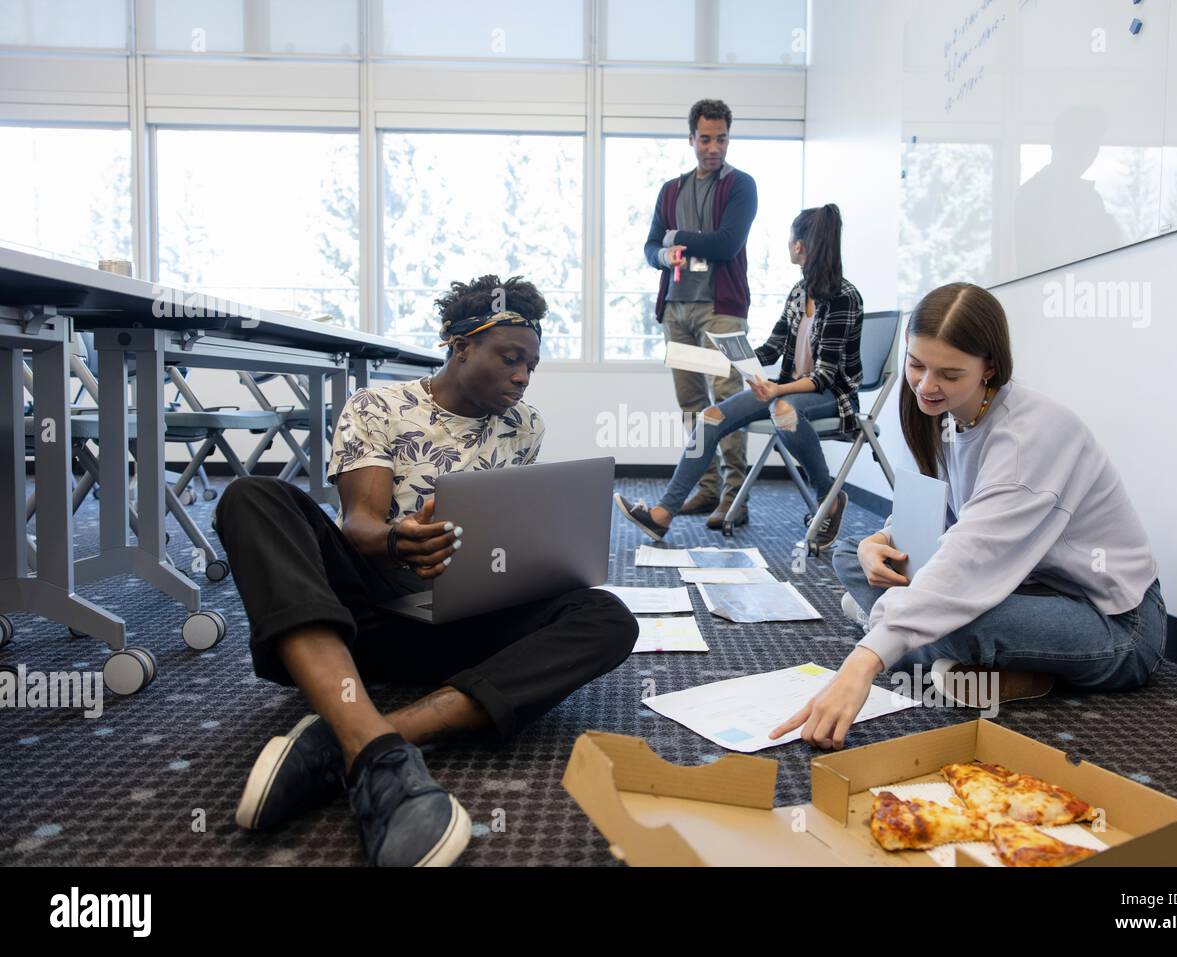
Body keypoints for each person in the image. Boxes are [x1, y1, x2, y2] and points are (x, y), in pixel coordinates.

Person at [213, 274, 637, 865]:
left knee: (608, 617)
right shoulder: (379, 407)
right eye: (510, 358)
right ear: (461, 346)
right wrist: (397, 539)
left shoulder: (524, 426)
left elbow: (507, 537)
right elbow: (358, 526)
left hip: (458, 623)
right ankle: (374, 747)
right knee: (252, 496)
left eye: (531, 366)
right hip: (362, 618)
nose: (522, 376)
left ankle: (361, 736)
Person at [771, 282, 1166, 750]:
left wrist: (863, 661)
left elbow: (969, 557)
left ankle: (913, 637)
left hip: (1116, 623)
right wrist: (878, 540)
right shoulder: (957, 413)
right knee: (850, 557)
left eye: (950, 374)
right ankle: (949, 653)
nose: (926, 385)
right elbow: (955, 517)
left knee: (958, 617)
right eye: (916, 365)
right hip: (1023, 584)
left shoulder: (1029, 439)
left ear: (990, 370)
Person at [617, 204, 863, 549]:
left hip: (831, 396)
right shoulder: (798, 292)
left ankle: (830, 497)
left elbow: (825, 376)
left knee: (784, 410)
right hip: (786, 391)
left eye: (789, 239)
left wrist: (776, 388)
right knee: (710, 418)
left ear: (799, 246)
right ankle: (662, 515)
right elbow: (772, 348)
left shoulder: (843, 298)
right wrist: (733, 358)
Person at [645, 97, 759, 528]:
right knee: (693, 403)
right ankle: (708, 489)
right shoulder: (671, 190)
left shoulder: (740, 185)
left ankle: (735, 497)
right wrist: (663, 253)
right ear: (691, 138)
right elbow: (650, 246)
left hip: (720, 311)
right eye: (706, 139)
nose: (714, 147)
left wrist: (678, 237)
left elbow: (727, 244)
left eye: (722, 138)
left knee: (729, 402)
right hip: (679, 311)